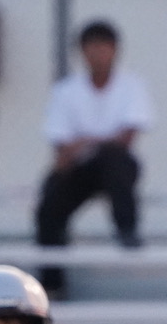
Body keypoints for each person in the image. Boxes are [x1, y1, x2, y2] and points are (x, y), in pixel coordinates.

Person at [35, 19, 152, 250]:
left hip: (115, 167)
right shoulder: (66, 91)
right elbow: (62, 146)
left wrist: (85, 142)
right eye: (91, 47)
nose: (97, 54)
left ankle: (127, 231)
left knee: (115, 161)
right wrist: (97, 143)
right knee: (51, 200)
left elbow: (126, 139)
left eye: (103, 47)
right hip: (80, 169)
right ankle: (52, 279)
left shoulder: (132, 87)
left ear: (115, 50)